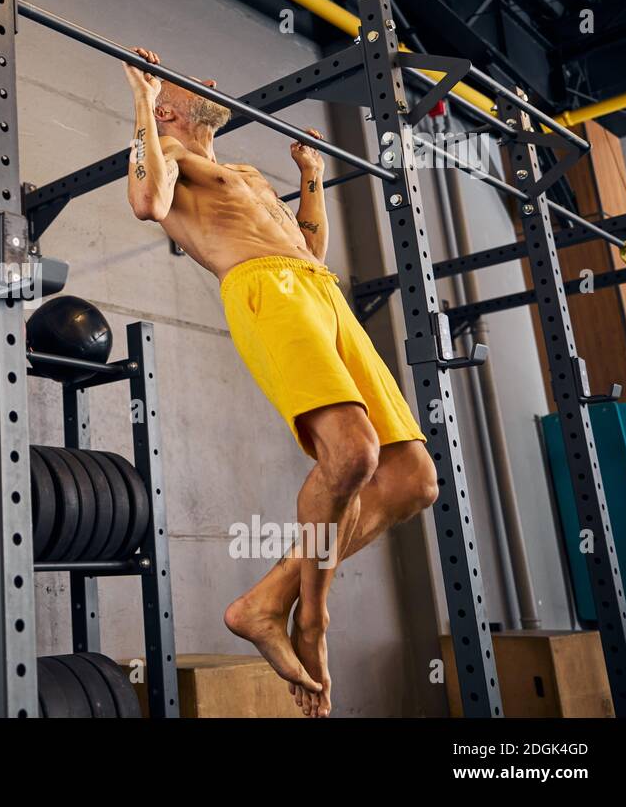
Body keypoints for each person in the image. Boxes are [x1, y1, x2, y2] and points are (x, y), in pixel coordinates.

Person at [122, 47, 438, 718]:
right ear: (172, 107)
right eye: (190, 80)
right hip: (265, 292)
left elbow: (311, 250)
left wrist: (312, 178)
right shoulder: (169, 154)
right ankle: (312, 618)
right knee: (352, 455)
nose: (210, 76)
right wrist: (143, 108)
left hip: (321, 293)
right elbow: (147, 201)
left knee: (414, 479)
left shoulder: (241, 171)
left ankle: (267, 602)